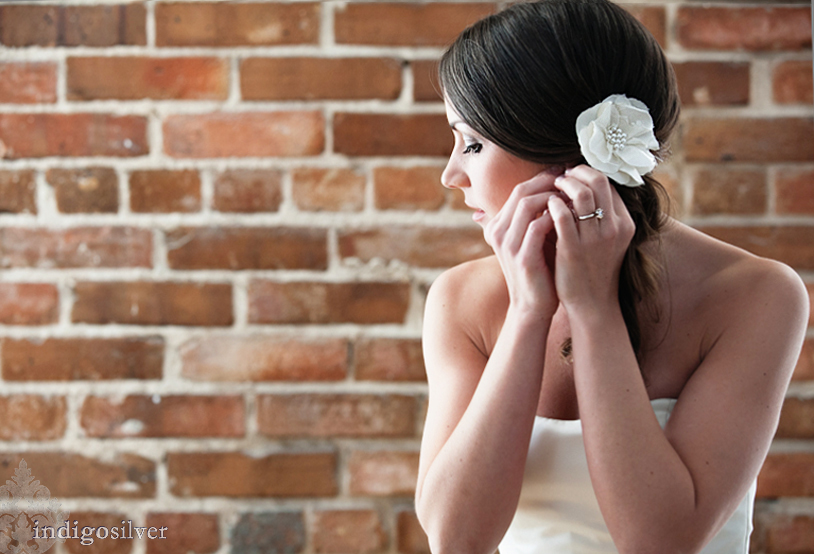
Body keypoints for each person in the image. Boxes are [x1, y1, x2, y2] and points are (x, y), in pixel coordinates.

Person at [414, 1, 809, 553]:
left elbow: (660, 542)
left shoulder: (757, 295)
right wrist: (529, 313)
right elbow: (455, 539)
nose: (451, 175)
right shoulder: (461, 300)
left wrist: (594, 308)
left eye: (473, 143)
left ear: (566, 155)